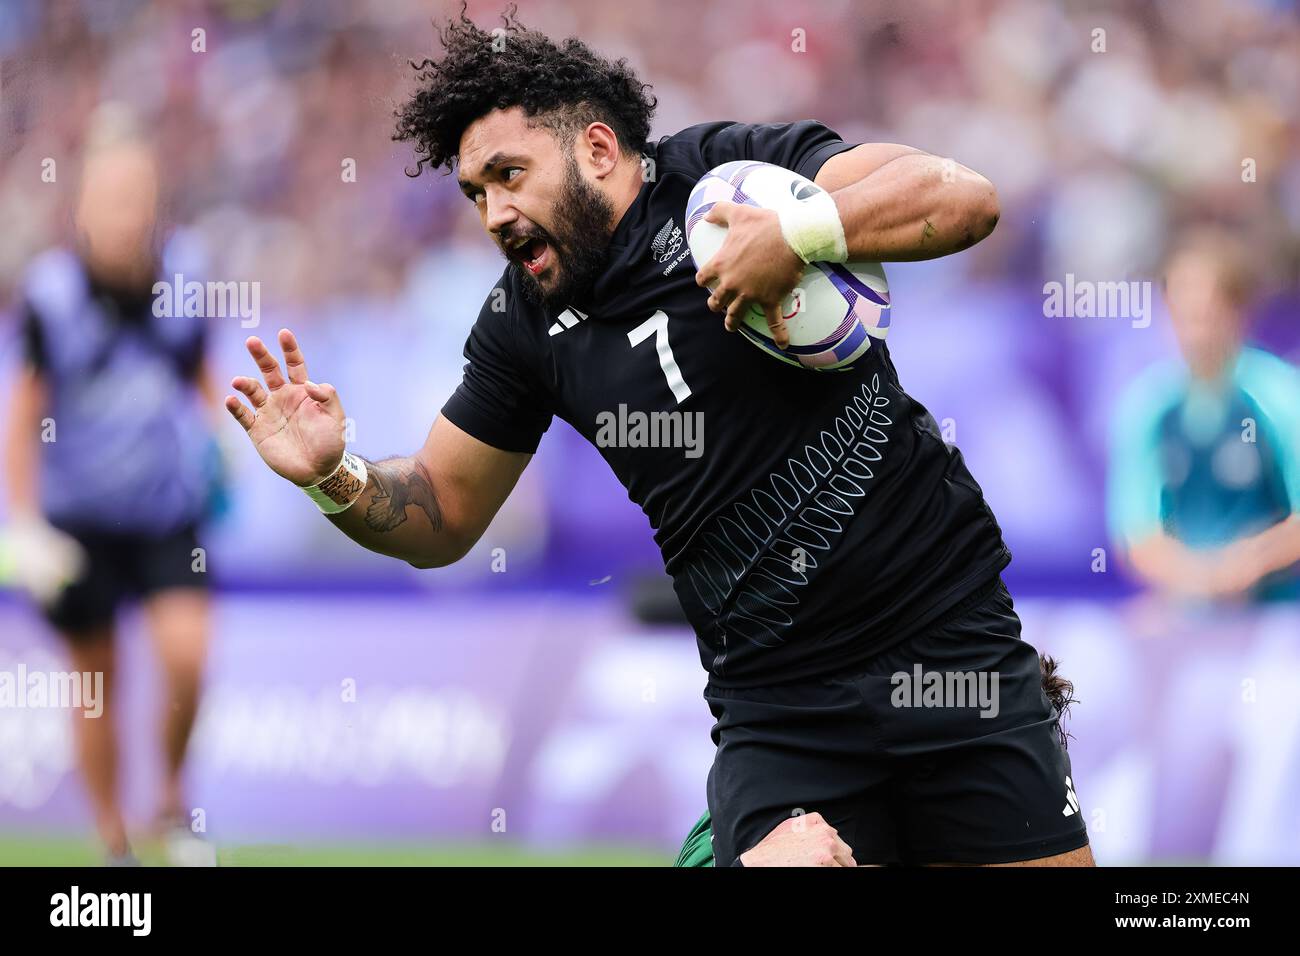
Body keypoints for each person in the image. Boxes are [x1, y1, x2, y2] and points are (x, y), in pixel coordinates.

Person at [227, 7, 1092, 866]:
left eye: (509, 175)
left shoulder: (728, 175)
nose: (493, 213)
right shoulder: (521, 327)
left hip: (952, 641)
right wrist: (330, 474)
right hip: (780, 705)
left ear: (597, 150)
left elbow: (964, 198)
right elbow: (441, 512)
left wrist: (798, 235)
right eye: (476, 192)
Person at [2, 135, 220, 866]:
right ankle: (112, 837)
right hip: (79, 524)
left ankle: (170, 795)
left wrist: (231, 447)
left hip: (163, 510)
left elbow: (202, 377)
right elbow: (24, 416)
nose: (125, 217)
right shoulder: (50, 296)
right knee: (96, 683)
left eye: (136, 200)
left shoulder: (185, 278)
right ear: (82, 212)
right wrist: (25, 523)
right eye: (109, 201)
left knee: (187, 656)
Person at [1109, 227, 1300, 601]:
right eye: (1183, 316)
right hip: (1189, 617)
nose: (1194, 333)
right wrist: (1199, 579)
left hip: (1279, 622)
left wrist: (1249, 564)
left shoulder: (1279, 395)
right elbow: (1136, 533)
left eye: (1206, 315)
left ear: (1239, 311)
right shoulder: (1148, 405)